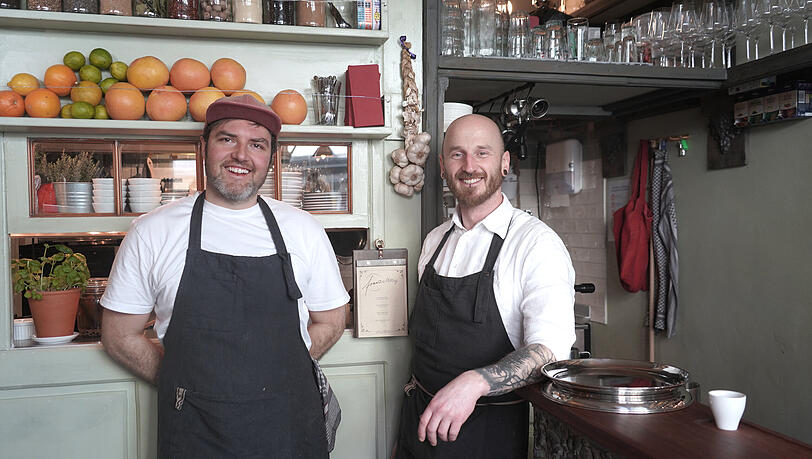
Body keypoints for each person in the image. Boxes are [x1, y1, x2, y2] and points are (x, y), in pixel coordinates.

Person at [100, 95, 348, 458]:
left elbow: (332, 319)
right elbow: (119, 335)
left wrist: (279, 374)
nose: (241, 155)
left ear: (270, 158)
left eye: (257, 144)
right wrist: (183, 385)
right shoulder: (152, 231)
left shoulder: (304, 230)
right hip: (196, 429)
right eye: (227, 139)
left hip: (289, 423)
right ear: (204, 147)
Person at [395, 114, 575, 458]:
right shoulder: (435, 241)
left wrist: (475, 382)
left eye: (482, 153)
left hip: (488, 433)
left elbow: (550, 352)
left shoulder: (535, 244)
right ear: (442, 166)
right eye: (457, 154)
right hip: (418, 423)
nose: (469, 166)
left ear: (504, 163)